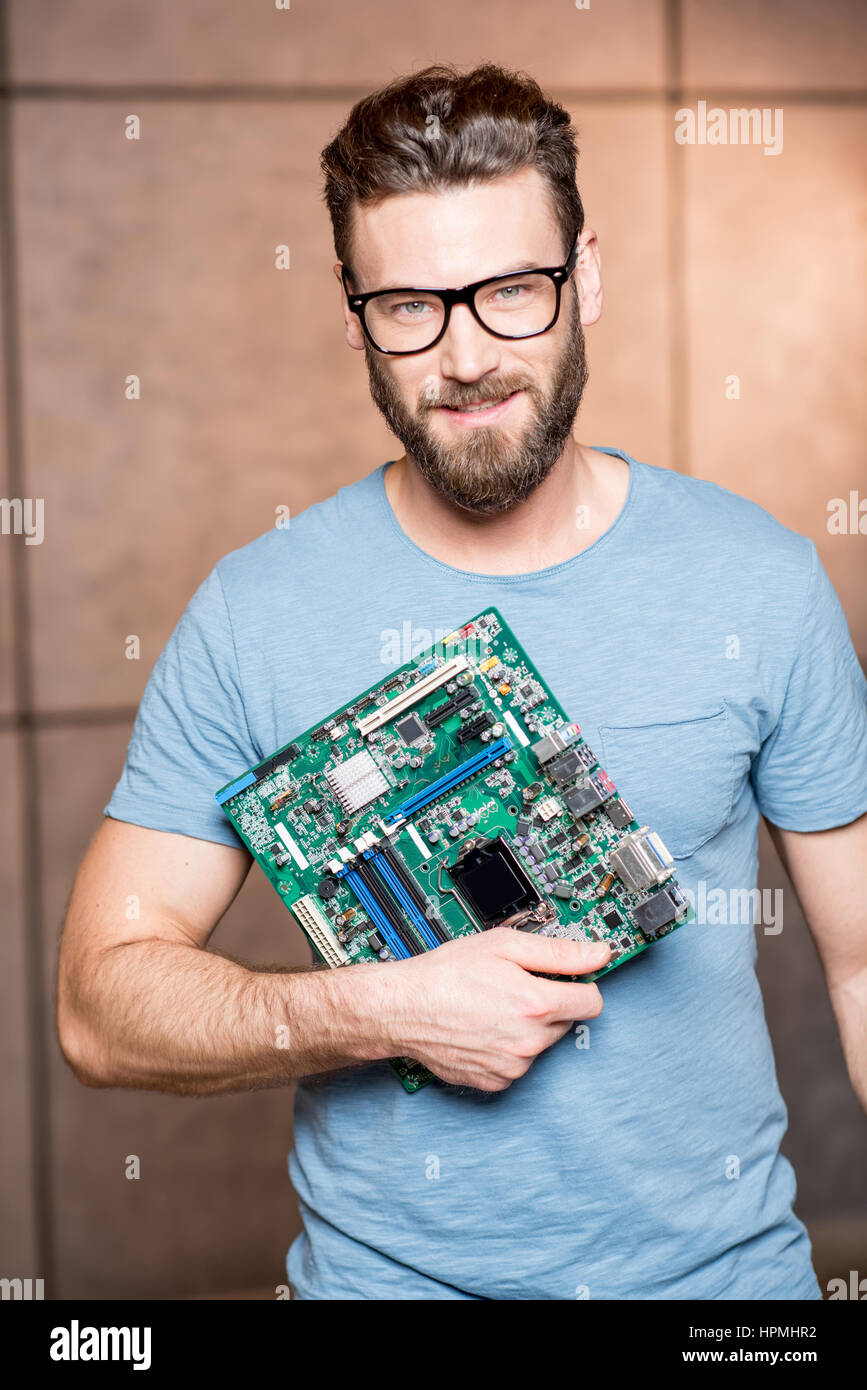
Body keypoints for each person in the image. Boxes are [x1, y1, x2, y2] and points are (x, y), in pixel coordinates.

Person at [59, 63, 867, 1301]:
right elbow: (98, 1007)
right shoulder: (252, 613)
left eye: (510, 292)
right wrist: (378, 1011)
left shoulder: (760, 583)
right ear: (350, 314)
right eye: (409, 307)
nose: (466, 356)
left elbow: (861, 966)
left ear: (585, 274)